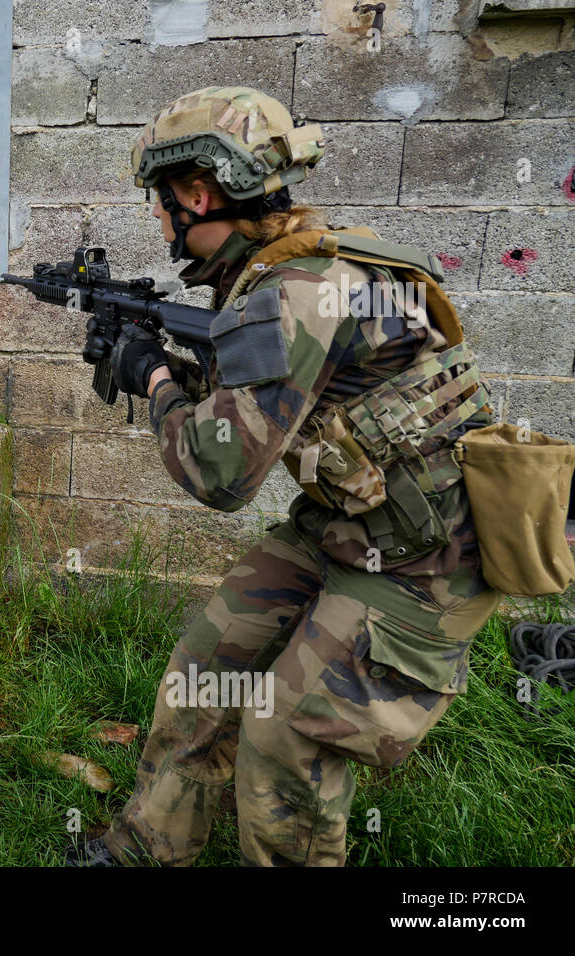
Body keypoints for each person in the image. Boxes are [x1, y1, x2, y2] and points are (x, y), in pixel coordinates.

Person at [68, 87, 500, 866]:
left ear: (196, 194)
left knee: (281, 736)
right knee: (205, 668)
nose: (157, 218)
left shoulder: (298, 292)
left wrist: (153, 380)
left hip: (432, 559)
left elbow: (219, 473)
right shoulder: (285, 269)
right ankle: (145, 852)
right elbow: (266, 411)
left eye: (159, 202)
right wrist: (165, 361)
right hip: (348, 525)